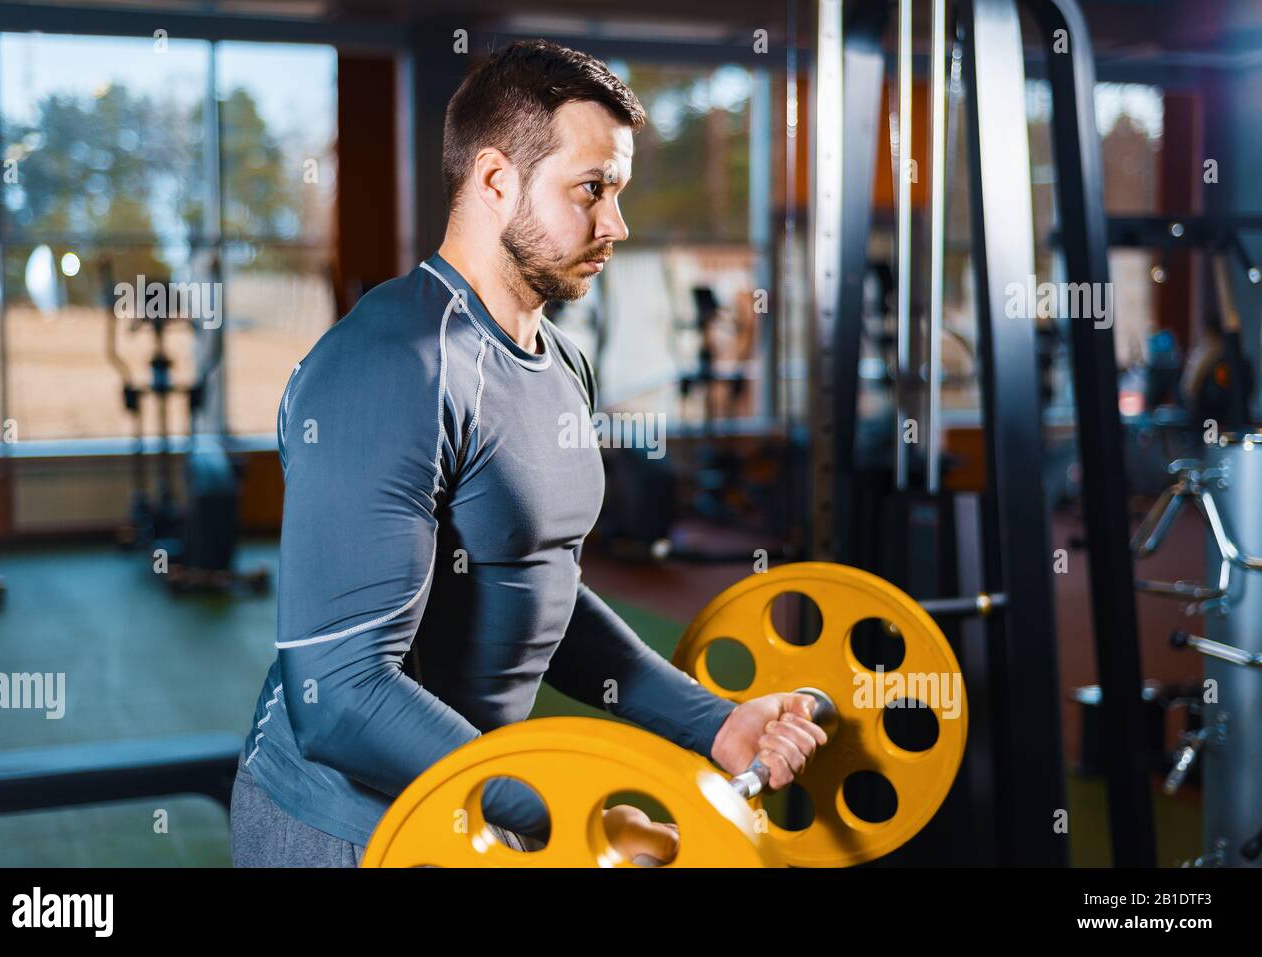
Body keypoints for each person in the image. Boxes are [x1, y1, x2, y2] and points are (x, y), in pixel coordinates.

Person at [230, 38, 826, 868]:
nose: (616, 223)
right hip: (350, 830)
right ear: (495, 179)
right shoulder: (392, 366)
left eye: (618, 191)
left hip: (475, 800)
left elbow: (542, 587)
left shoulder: (559, 360)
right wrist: (569, 816)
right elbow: (340, 699)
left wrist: (712, 720)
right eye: (593, 189)